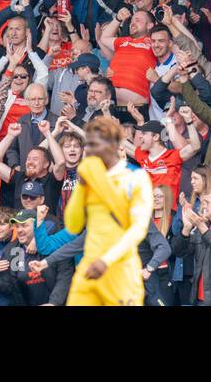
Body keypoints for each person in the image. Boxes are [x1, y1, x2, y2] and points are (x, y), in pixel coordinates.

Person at [63, 115, 152, 306]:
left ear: (113, 144)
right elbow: (72, 225)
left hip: (120, 271)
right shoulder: (89, 173)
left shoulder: (135, 177)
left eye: (96, 144)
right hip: (89, 268)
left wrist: (106, 260)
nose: (90, 150)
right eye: (89, 144)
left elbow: (138, 229)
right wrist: (81, 187)